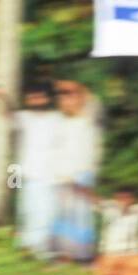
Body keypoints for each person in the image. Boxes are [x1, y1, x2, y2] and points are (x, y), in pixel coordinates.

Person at [0, 82, 61, 256]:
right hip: (26, 173)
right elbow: (10, 112)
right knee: (27, 211)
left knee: (48, 213)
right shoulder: (24, 117)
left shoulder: (57, 118)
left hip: (52, 175)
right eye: (32, 97)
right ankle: (28, 248)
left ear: (47, 98)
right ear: (28, 100)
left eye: (39, 96)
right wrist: (2, 95)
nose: (36, 100)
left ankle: (44, 251)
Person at [50, 80, 103, 262]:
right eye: (63, 98)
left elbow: (93, 100)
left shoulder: (89, 118)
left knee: (82, 216)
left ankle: (84, 256)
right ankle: (64, 255)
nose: (66, 102)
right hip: (61, 177)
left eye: (71, 97)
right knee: (63, 217)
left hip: (83, 176)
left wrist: (73, 86)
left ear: (80, 99)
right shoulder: (58, 122)